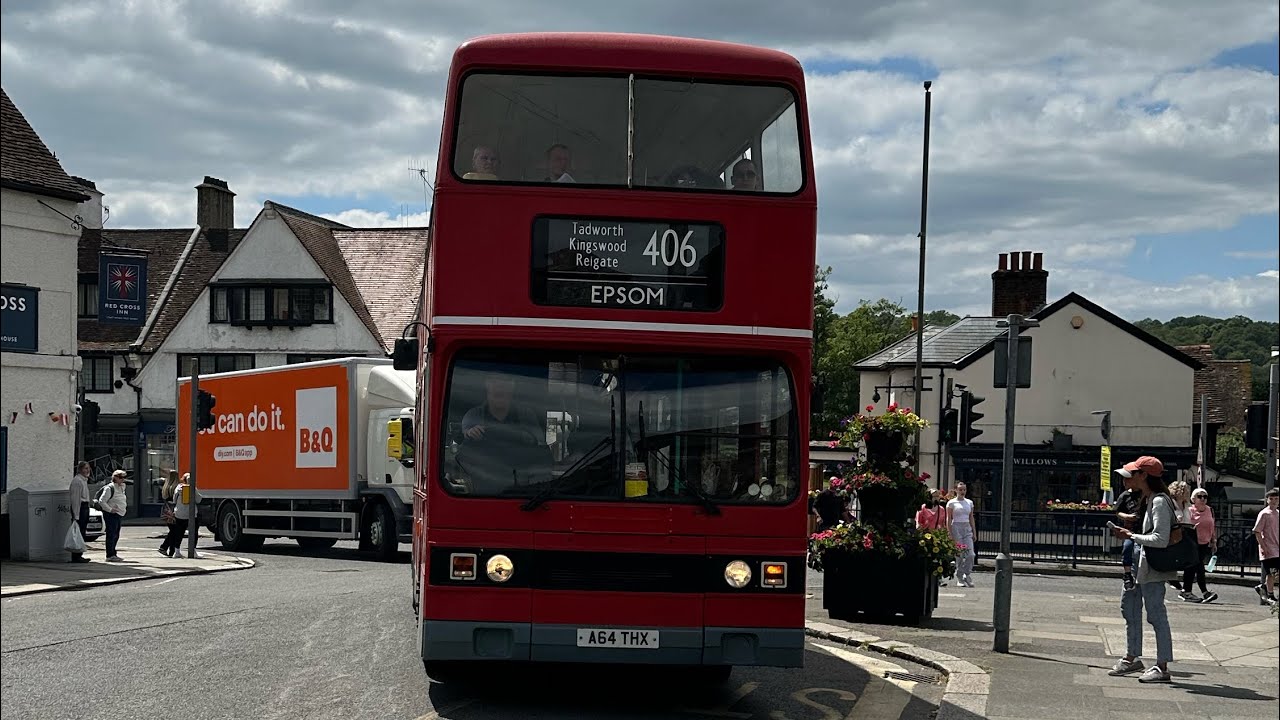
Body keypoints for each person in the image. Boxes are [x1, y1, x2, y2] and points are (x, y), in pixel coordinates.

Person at [1107, 455, 1176, 683]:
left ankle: (1162, 667)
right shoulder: (1147, 498)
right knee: (1130, 608)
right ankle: (1132, 657)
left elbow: (1161, 538)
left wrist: (1130, 535)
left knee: (1156, 614)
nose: (1127, 478)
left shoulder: (1158, 501)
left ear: (1144, 476)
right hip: (1139, 563)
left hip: (1151, 565)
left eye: (1132, 473)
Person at [458, 376, 546, 492]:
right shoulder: (473, 416)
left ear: (512, 386)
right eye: (494, 381)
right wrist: (471, 433)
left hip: (523, 488)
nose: (500, 385)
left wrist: (526, 437)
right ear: (487, 385)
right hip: (481, 487)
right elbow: (463, 451)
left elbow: (540, 447)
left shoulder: (526, 416)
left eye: (506, 380)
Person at [1182, 487, 1218, 603]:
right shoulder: (1189, 510)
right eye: (1199, 496)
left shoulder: (1209, 510)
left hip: (1204, 542)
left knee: (1194, 566)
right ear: (1193, 499)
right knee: (1198, 566)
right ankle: (1204, 592)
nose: (1202, 499)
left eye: (1205, 496)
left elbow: (1212, 526)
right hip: (1192, 542)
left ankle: (1186, 591)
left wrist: (1213, 541)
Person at [1114, 471, 1147, 591]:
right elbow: (1117, 511)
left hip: (1143, 529)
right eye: (1123, 480)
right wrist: (1127, 517)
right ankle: (1127, 574)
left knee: (1140, 553)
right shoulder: (1124, 495)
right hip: (1130, 529)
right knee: (1127, 548)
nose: (1124, 482)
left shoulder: (1144, 493)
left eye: (1127, 480)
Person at [162, 473, 203, 559]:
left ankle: (177, 551)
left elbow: (174, 499)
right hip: (191, 514)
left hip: (179, 513)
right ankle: (193, 551)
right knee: (194, 532)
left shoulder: (178, 488)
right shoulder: (193, 489)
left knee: (179, 533)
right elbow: (198, 500)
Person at [946, 482, 977, 587]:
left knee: (971, 554)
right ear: (956, 490)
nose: (962, 492)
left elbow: (971, 517)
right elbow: (949, 518)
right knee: (959, 554)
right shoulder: (951, 503)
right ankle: (959, 577)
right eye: (960, 490)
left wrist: (974, 531)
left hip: (967, 528)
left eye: (964, 489)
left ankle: (967, 574)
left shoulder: (969, 502)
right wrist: (949, 533)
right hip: (956, 528)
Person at [1253, 488, 1279, 607]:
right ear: (1267, 500)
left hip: (1277, 546)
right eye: (1271, 499)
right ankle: (1270, 593)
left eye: (1276, 499)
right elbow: (1257, 531)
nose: (1273, 501)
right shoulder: (1264, 513)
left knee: (1274, 572)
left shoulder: (1278, 513)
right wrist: (1263, 546)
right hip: (1268, 546)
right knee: (1271, 572)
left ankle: (1263, 587)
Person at [97, 469, 129, 562]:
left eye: (124, 477)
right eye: (121, 477)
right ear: (115, 478)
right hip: (111, 514)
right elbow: (102, 501)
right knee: (111, 534)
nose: (123, 479)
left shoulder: (122, 487)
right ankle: (110, 555)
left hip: (119, 514)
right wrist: (110, 510)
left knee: (116, 534)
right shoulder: (109, 488)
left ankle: (113, 553)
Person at [67, 461, 92, 563]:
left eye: (88, 468)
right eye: (85, 468)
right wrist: (76, 514)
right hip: (80, 507)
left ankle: (79, 553)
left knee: (82, 531)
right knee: (78, 532)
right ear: (80, 469)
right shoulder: (77, 481)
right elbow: (75, 499)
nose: (87, 470)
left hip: (85, 506)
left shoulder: (84, 480)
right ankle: (76, 555)